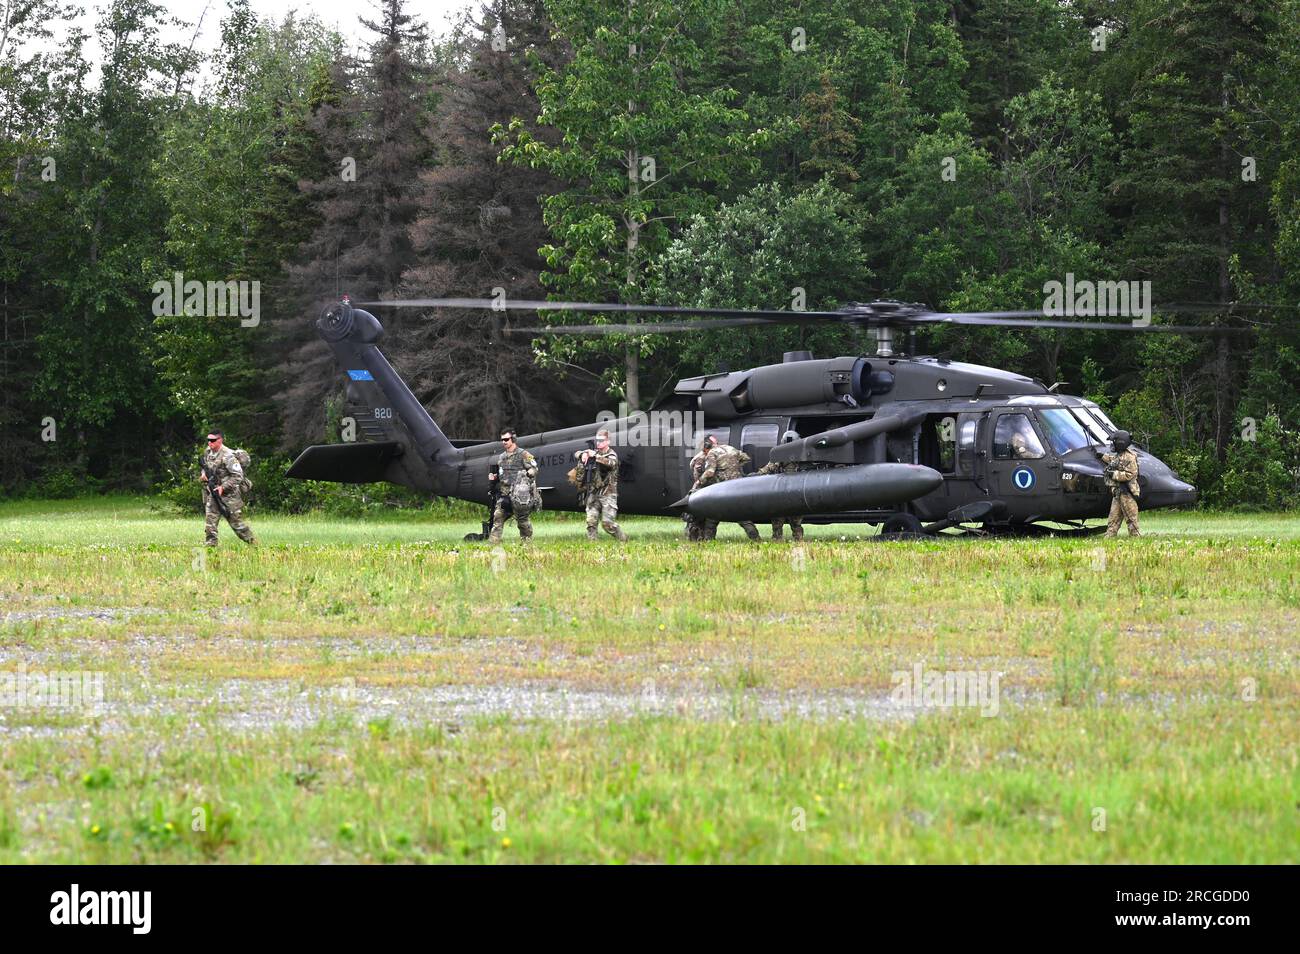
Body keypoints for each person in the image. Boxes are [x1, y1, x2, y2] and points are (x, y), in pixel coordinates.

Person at [693, 434, 760, 541]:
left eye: (704, 450)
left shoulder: (712, 453)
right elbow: (746, 458)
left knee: (712, 519)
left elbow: (710, 472)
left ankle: (708, 542)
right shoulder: (730, 448)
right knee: (743, 518)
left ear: (707, 446)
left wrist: (698, 483)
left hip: (722, 490)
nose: (704, 452)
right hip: (737, 489)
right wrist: (734, 467)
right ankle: (757, 540)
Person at [197, 429, 256, 547]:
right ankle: (210, 547)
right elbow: (205, 466)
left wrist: (223, 487)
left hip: (229, 496)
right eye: (208, 440)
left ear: (220, 440)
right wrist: (203, 475)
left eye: (213, 440)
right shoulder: (208, 452)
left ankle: (253, 544)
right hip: (213, 493)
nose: (210, 443)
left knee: (237, 524)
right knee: (210, 523)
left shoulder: (228, 456)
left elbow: (238, 476)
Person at [576, 428, 627, 542]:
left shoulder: (612, 454)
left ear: (608, 441)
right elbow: (576, 453)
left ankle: (623, 540)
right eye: (597, 440)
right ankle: (592, 544)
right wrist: (582, 455)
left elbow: (611, 463)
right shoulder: (594, 452)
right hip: (593, 493)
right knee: (591, 521)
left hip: (608, 494)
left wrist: (596, 457)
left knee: (608, 524)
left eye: (601, 440)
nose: (598, 442)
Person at [488, 429, 538, 543]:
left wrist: (527, 473)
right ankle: (493, 544)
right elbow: (502, 474)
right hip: (505, 494)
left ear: (513, 439)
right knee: (497, 517)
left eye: (506, 439)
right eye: (502, 440)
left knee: (523, 522)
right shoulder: (501, 457)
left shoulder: (523, 454)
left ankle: (527, 544)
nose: (504, 442)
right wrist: (495, 477)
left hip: (519, 495)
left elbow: (534, 468)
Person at [755, 430, 805, 541]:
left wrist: (757, 475)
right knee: (796, 522)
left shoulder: (781, 453)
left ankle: (777, 540)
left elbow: (770, 467)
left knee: (778, 520)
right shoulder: (803, 453)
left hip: (782, 490)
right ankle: (799, 540)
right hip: (797, 491)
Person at [1100, 430, 1140, 537]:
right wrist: (1102, 456)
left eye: (1114, 442)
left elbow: (1130, 474)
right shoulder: (1120, 455)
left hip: (1127, 493)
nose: (1112, 444)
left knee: (1131, 519)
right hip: (1118, 492)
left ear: (1120, 443)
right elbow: (1115, 461)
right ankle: (1109, 536)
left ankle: (1136, 538)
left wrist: (1113, 474)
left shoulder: (1130, 457)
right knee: (1113, 517)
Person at [683, 436, 712, 541]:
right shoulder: (701, 458)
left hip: (701, 487)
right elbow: (698, 474)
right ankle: (693, 537)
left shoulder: (705, 456)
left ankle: (701, 536)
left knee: (703, 518)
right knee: (696, 518)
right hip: (700, 488)